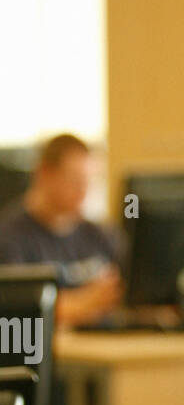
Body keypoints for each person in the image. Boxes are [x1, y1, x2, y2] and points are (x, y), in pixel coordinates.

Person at [0, 133, 124, 327]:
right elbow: (20, 311)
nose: (83, 191)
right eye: (74, 180)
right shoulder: (10, 237)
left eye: (88, 181)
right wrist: (85, 302)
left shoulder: (101, 234)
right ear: (44, 174)